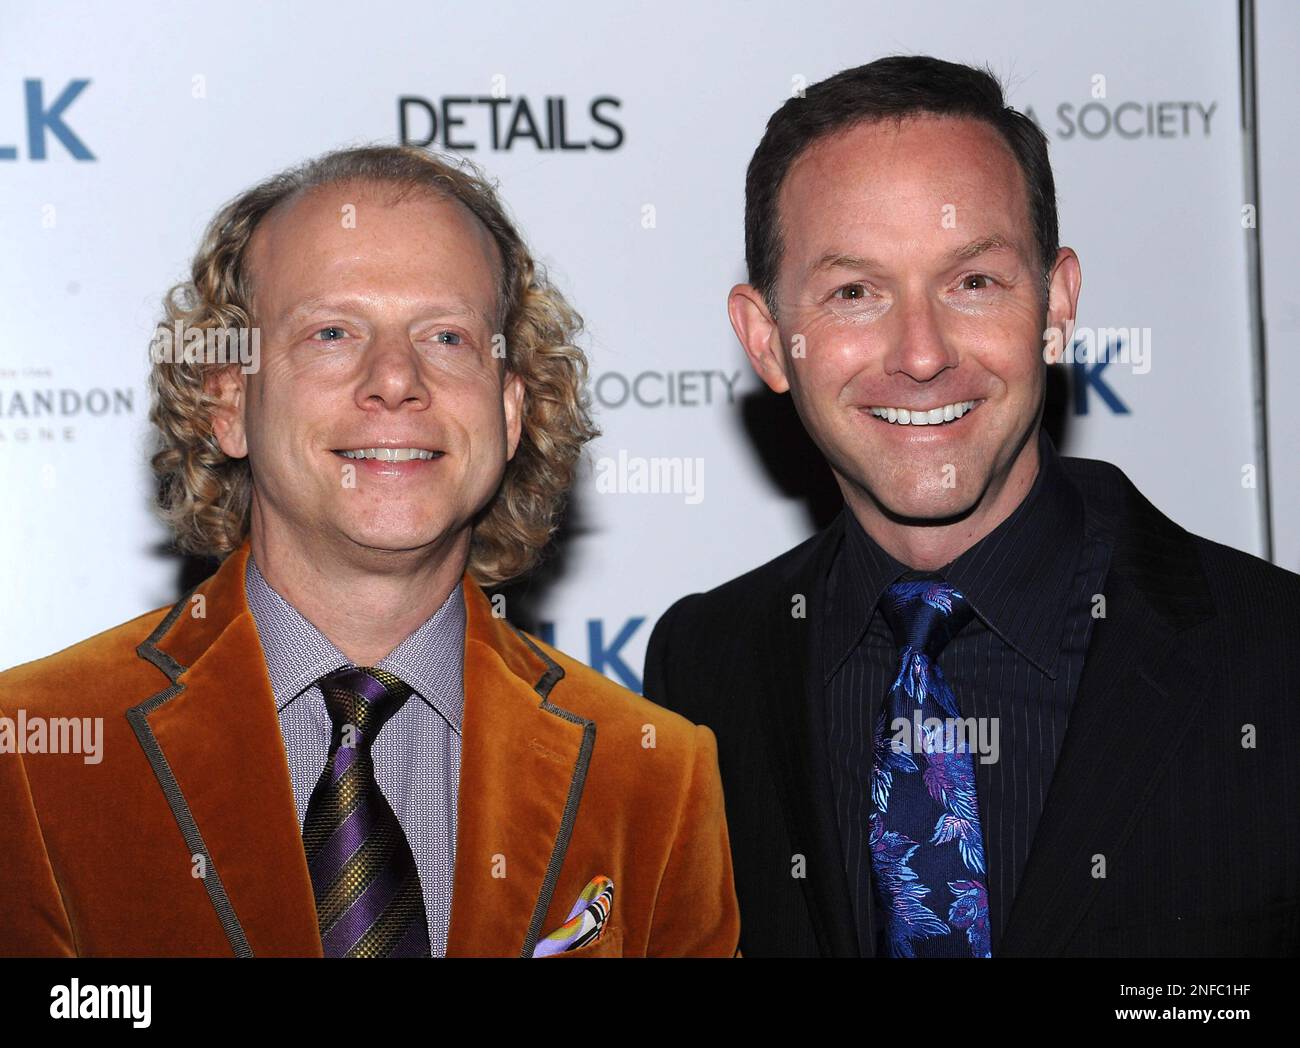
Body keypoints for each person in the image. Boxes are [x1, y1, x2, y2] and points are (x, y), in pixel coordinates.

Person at [0, 145, 739, 958]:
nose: (394, 379)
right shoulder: (37, 751)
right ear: (229, 401)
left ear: (510, 410)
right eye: (331, 332)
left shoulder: (655, 778)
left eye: (448, 337)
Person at [643, 55, 1300, 958]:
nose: (920, 353)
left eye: (973, 282)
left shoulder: (1274, 657)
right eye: (854, 293)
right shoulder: (705, 670)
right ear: (767, 340)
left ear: (1057, 303)